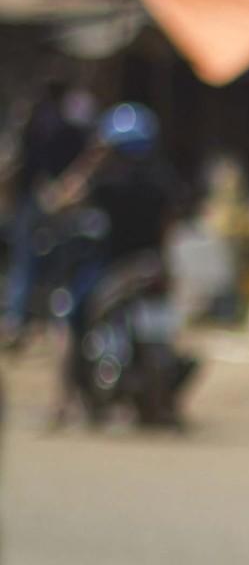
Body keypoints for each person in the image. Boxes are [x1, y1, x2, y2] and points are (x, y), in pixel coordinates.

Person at [44, 103, 180, 421]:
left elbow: (60, 201)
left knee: (69, 320)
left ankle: (62, 403)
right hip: (152, 265)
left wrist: (88, 162)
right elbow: (169, 225)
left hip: (113, 270)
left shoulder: (105, 181)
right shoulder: (162, 180)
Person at [2, 79, 89, 342]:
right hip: (56, 197)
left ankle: (19, 318)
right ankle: (50, 318)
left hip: (41, 197)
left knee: (27, 257)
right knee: (55, 257)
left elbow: (20, 163)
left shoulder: (34, 124)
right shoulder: (66, 126)